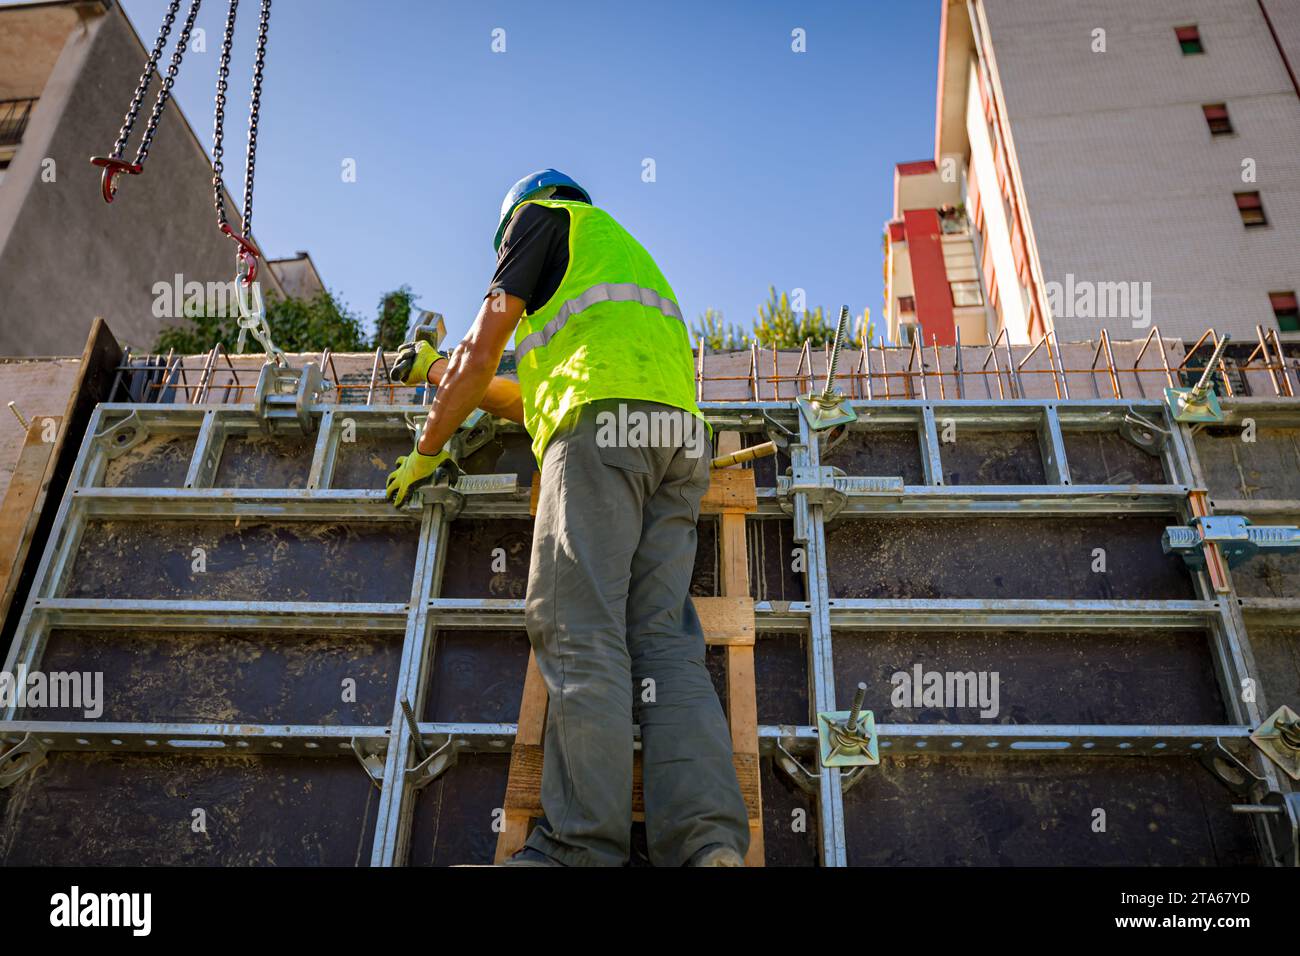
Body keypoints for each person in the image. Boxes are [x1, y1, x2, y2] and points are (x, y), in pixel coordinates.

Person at [385, 169, 749, 867]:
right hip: (674, 442)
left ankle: (578, 849)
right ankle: (708, 847)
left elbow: (481, 351)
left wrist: (428, 448)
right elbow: (533, 399)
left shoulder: (536, 220)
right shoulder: (619, 254)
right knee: (665, 644)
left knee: (579, 630)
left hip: (599, 432)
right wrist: (436, 375)